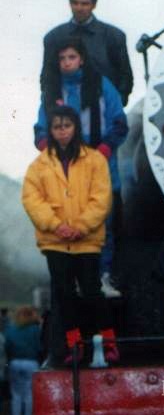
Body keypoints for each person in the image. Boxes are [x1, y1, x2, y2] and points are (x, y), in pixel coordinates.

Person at [22, 106, 120, 364]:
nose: (62, 131)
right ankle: (73, 345)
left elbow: (101, 198)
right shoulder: (39, 165)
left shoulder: (95, 159)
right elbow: (32, 199)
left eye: (67, 125)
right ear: (50, 131)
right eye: (57, 127)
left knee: (92, 290)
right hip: (55, 241)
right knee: (64, 293)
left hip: (86, 240)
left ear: (75, 127)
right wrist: (56, 226)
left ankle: (109, 343)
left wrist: (81, 226)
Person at [35, 36, 128, 296]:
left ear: (82, 58)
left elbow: (119, 124)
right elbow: (40, 130)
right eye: (62, 58)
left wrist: (101, 154)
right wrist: (51, 153)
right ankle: (74, 282)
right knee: (67, 220)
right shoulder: (52, 91)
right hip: (64, 168)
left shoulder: (102, 85)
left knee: (102, 221)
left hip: (100, 162)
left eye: (72, 57)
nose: (67, 63)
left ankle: (103, 277)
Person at [41, 0, 133, 105]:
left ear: (94, 5)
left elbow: (125, 77)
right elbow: (47, 77)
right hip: (65, 112)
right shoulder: (53, 38)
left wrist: (116, 105)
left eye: (84, 4)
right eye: (75, 3)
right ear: (70, 3)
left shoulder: (114, 36)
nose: (79, 8)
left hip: (105, 109)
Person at [4, 307, 42, 415]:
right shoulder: (35, 329)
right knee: (29, 394)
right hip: (31, 362)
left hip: (14, 362)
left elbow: (7, 347)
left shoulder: (11, 329)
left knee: (16, 394)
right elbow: (39, 347)